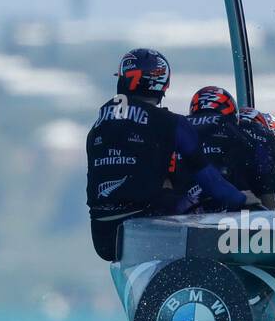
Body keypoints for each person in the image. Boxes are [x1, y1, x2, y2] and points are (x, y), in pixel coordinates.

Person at [85, 49, 247, 261]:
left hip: (103, 237)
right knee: (204, 197)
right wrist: (245, 202)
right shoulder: (172, 123)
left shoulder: (97, 127)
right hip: (145, 230)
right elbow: (212, 184)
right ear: (162, 84)